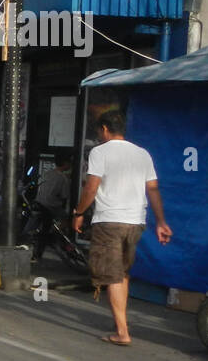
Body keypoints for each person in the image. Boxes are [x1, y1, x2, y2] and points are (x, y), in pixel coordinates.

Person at [72, 109, 172, 346]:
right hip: (136, 221)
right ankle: (121, 322)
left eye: (99, 131)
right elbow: (153, 190)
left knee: (113, 275)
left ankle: (122, 331)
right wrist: (161, 221)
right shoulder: (142, 154)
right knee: (122, 274)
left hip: (110, 221)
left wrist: (78, 212)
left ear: (104, 129)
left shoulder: (100, 152)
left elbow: (91, 187)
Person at [28, 150, 73, 262]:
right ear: (65, 163)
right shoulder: (63, 178)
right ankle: (54, 233)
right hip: (50, 206)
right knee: (68, 218)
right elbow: (64, 196)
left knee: (42, 227)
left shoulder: (47, 173)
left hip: (38, 203)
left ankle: (51, 233)